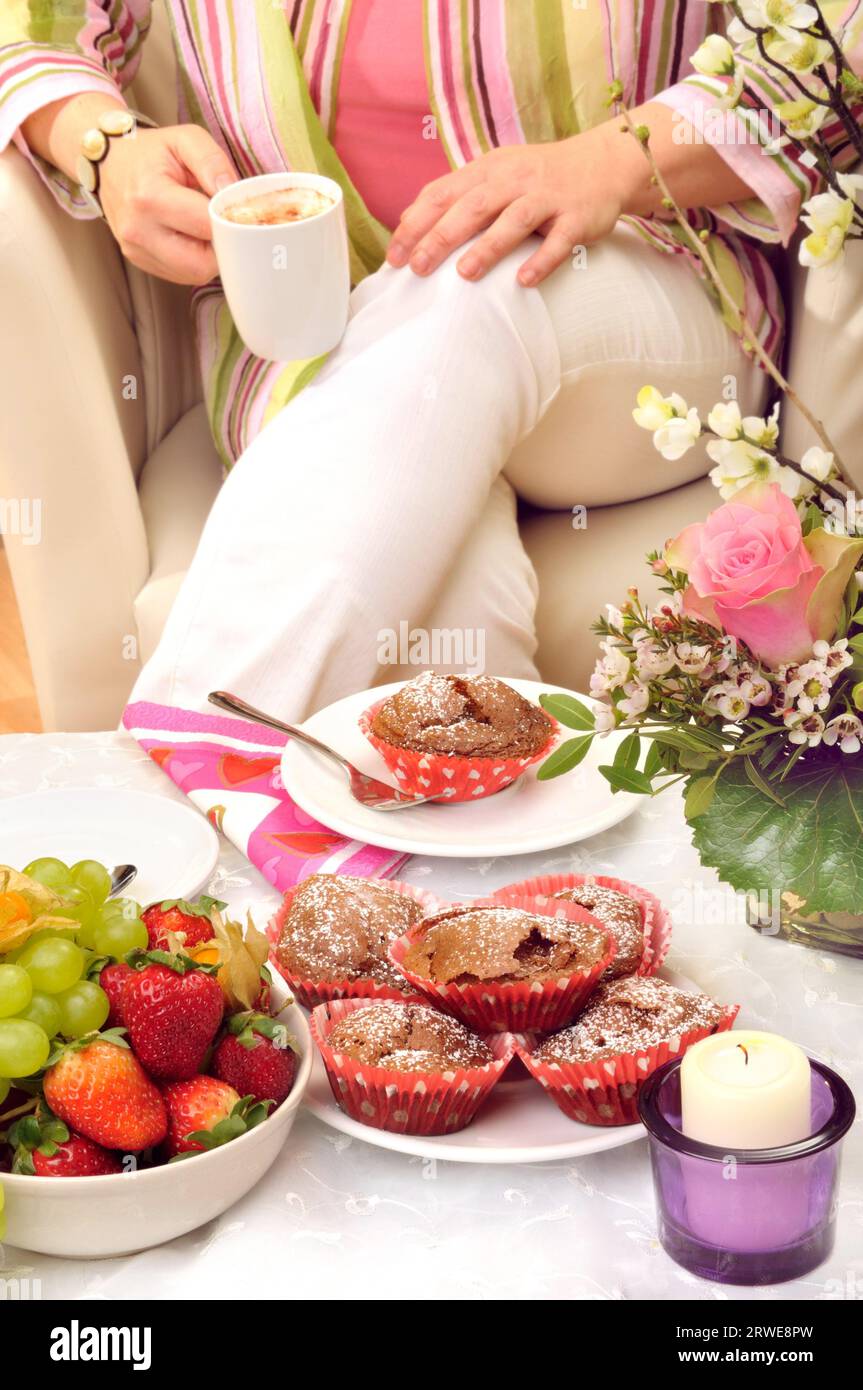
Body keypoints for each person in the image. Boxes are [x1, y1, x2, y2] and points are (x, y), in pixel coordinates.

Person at [2, 1, 857, 718]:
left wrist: (612, 158)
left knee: (474, 280)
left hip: (640, 315)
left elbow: (837, 41)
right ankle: (486, 912)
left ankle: (185, 758)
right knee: (442, 608)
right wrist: (102, 144)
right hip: (309, 349)